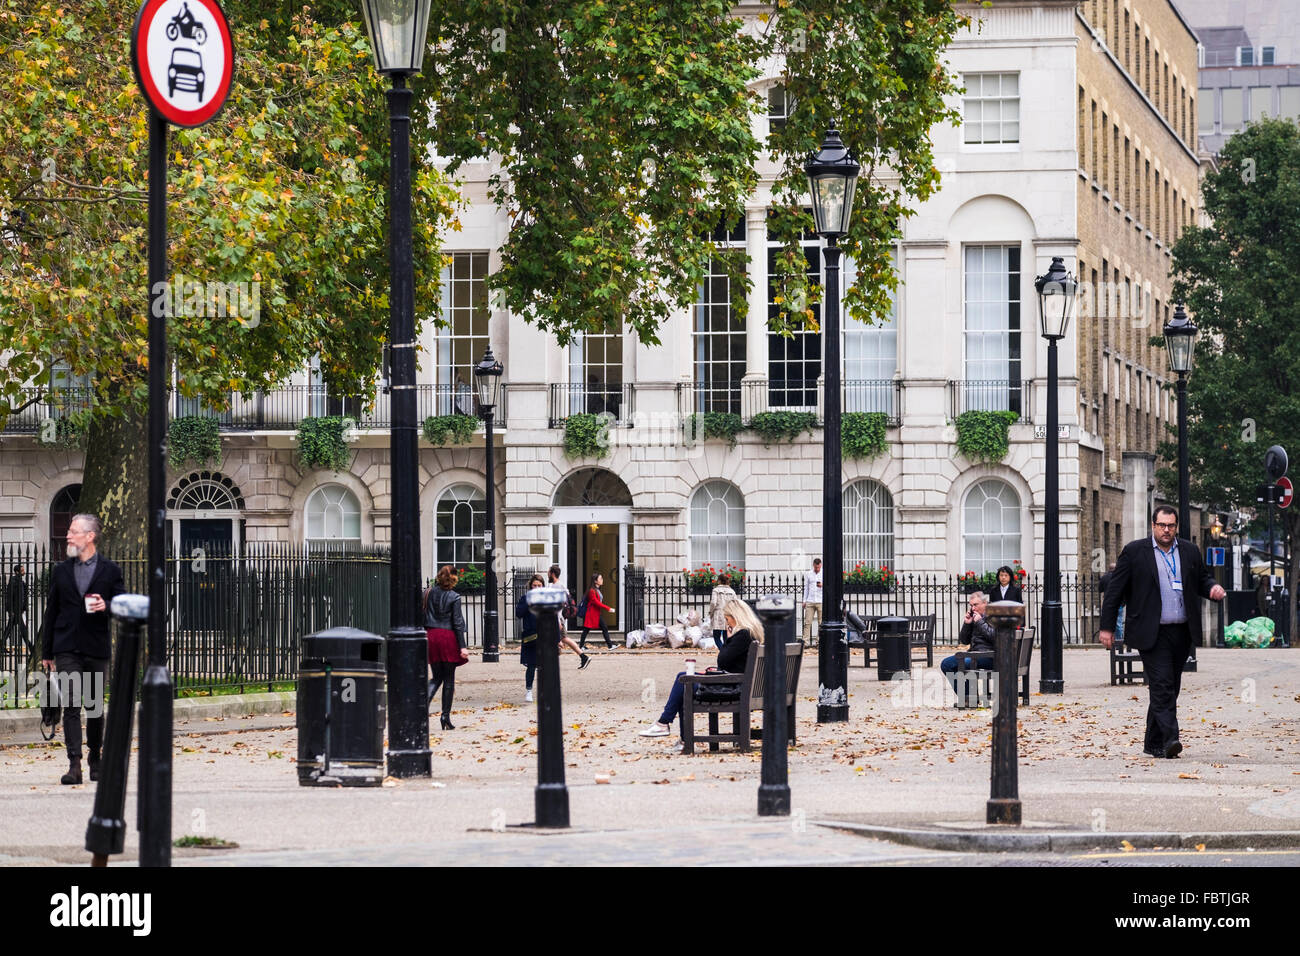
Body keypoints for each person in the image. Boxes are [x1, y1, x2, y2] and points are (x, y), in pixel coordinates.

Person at [1101, 506, 1225, 759]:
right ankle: (1171, 739)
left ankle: (1152, 742)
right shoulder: (1135, 552)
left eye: (1170, 526)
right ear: (1153, 525)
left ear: (1176, 526)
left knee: (1170, 687)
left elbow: (1202, 579)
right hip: (1151, 631)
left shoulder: (1189, 551)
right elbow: (1114, 591)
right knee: (1162, 685)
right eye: (1161, 525)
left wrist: (1212, 588)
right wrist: (1107, 627)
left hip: (1181, 631)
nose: (1166, 530)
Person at [39, 514, 125, 785]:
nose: (68, 535)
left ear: (90, 536)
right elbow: (51, 611)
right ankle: (74, 764)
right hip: (66, 647)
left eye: (74, 531)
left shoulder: (110, 570)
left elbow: (122, 603)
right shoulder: (61, 571)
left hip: (96, 646)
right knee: (72, 704)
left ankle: (95, 758)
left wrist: (107, 606)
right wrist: (47, 653)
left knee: (95, 706)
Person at [639, 599, 762, 740]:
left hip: (734, 687)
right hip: (740, 683)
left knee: (684, 682)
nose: (727, 623)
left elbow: (722, 660)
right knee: (683, 677)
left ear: (736, 617)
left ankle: (666, 726)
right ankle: (668, 727)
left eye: (727, 619)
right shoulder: (753, 633)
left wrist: (729, 638)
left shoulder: (743, 635)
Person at [425, 565, 470, 730]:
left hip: (431, 635)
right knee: (449, 678)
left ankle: (422, 707)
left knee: (436, 677)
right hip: (448, 637)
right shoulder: (454, 597)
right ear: (454, 579)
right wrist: (463, 647)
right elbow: (457, 623)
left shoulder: (428, 593)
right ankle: (445, 716)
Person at [939, 591, 996, 699]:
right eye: (971, 605)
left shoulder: (994, 615)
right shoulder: (976, 617)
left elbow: (995, 638)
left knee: (960, 663)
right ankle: (968, 696)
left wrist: (980, 622)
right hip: (976, 655)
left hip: (990, 656)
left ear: (985, 603)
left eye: (975, 605)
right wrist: (967, 623)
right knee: (946, 663)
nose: (973, 608)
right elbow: (964, 641)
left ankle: (969, 698)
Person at [547, 565, 591, 669]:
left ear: (552, 574)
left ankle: (583, 656)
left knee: (560, 639)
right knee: (561, 639)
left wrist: (558, 620)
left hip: (556, 618)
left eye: (548, 572)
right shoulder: (561, 585)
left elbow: (558, 605)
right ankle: (583, 656)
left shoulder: (555, 587)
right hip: (559, 618)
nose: (547, 574)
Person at [516, 574, 546, 702]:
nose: (537, 588)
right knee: (532, 665)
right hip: (530, 635)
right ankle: (529, 690)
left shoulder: (547, 599)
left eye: (539, 585)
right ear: (530, 586)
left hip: (545, 635)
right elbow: (518, 614)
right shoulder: (525, 598)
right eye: (535, 585)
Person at [579, 572, 615, 649]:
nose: (602, 580)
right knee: (586, 630)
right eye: (600, 579)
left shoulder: (597, 590)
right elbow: (596, 602)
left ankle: (610, 645)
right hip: (591, 614)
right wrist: (608, 608)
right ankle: (610, 645)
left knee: (601, 628)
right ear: (595, 581)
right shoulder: (592, 591)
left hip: (595, 613)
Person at [708, 573, 737, 647]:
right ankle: (726, 653)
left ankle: (723, 652)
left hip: (718, 614)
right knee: (726, 637)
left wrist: (711, 613)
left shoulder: (716, 590)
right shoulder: (732, 591)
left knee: (716, 637)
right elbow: (735, 604)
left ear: (719, 581)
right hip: (728, 615)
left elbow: (713, 603)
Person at [3, 565, 27, 647]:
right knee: (23, 631)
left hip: (19, 610)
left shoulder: (21, 582)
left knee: (9, 629)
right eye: (22, 570)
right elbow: (9, 597)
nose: (24, 572)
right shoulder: (13, 581)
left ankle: (2, 645)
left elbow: (22, 597)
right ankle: (31, 647)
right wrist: (11, 611)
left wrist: (23, 608)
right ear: (17, 572)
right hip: (15, 611)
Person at [802, 558, 823, 643]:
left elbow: (829, 587)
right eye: (815, 567)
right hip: (810, 601)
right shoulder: (809, 574)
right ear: (813, 565)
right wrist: (804, 600)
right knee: (807, 623)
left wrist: (823, 585)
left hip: (820, 601)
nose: (817, 569)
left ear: (820, 565)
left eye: (818, 567)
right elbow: (806, 588)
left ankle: (819, 642)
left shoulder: (824, 573)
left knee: (821, 623)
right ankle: (805, 642)